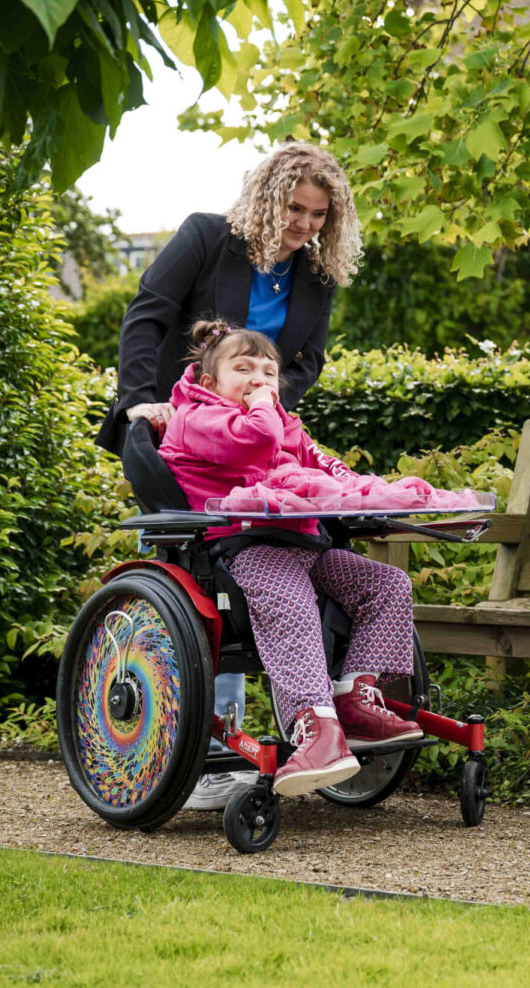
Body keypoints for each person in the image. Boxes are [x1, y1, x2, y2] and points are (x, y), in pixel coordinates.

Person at [96, 143, 362, 809]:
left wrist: (262, 410)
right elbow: (148, 313)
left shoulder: (315, 278)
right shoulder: (206, 238)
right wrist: (138, 405)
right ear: (267, 196)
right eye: (296, 208)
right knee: (191, 576)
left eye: (319, 215)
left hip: (248, 445)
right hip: (176, 429)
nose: (305, 224)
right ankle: (179, 743)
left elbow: (306, 362)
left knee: (257, 565)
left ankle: (234, 736)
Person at [158, 321, 427, 795]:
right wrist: (264, 405)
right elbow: (256, 439)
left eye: (268, 371)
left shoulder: (283, 424)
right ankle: (313, 725)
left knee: (388, 585)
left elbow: (324, 467)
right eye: (243, 369)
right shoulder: (196, 420)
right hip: (242, 547)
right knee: (291, 597)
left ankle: (352, 702)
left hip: (304, 544)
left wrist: (368, 491)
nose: (260, 380)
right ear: (210, 383)